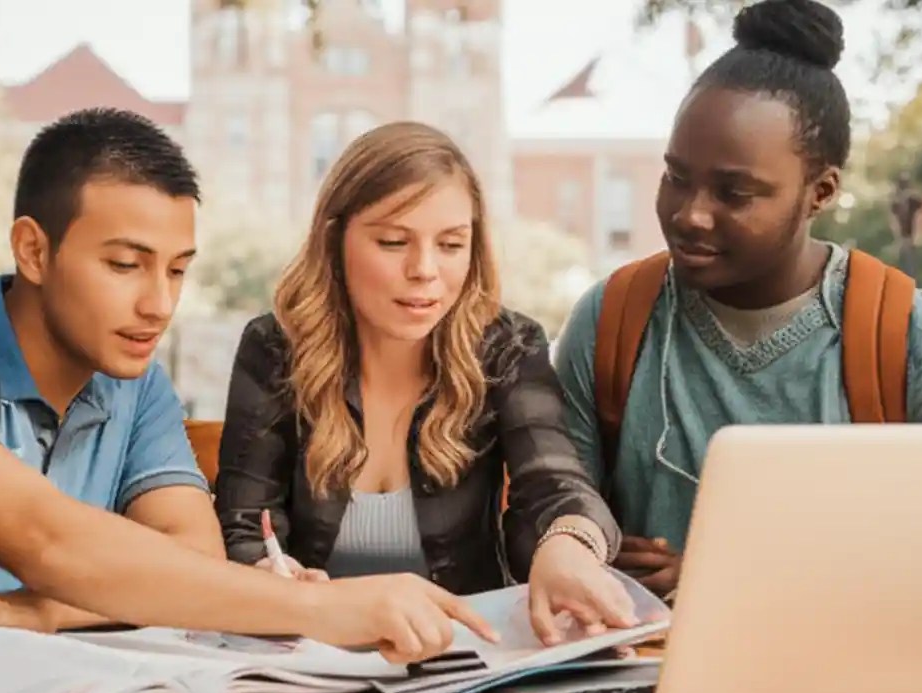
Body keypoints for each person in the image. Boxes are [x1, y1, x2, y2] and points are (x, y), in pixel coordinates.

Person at [0, 108, 495, 667]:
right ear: (34, 250)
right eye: (126, 265)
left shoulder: (135, 386)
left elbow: (192, 558)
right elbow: (48, 540)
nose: (160, 304)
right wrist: (333, 608)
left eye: (178, 270)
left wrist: (41, 609)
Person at [552, 0, 922, 600]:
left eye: (734, 193)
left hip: (865, 686)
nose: (690, 215)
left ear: (820, 192)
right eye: (676, 176)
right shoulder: (610, 321)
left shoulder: (915, 339)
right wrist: (570, 546)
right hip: (637, 680)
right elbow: (552, 501)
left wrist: (729, 583)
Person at [213, 120, 638, 645]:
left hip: (461, 657)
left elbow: (555, 482)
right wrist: (273, 581)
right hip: (313, 652)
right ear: (335, 241)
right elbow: (242, 524)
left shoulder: (506, 346)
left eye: (451, 244)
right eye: (393, 242)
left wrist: (568, 543)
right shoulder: (275, 348)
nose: (425, 270)